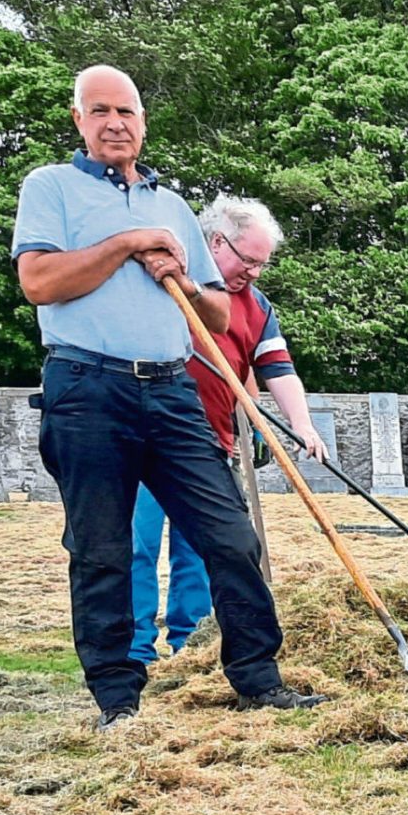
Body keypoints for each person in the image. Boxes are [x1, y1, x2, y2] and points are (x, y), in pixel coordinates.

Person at [14, 64, 325, 731]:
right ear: (79, 120)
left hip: (169, 387)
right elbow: (39, 281)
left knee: (231, 536)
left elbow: (214, 312)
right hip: (86, 386)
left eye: (125, 111)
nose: (115, 123)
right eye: (99, 111)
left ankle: (257, 678)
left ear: (143, 122)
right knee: (101, 548)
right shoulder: (51, 188)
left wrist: (178, 271)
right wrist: (127, 245)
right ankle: (117, 697)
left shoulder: (173, 207)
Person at [129, 195, 328, 664]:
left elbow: (277, 367)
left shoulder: (257, 306)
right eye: (249, 261)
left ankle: (190, 643)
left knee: (202, 548)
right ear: (216, 242)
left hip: (209, 444)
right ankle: (135, 651)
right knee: (133, 546)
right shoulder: (164, 282)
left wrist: (301, 426)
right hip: (142, 439)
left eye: (263, 264)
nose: (255, 272)